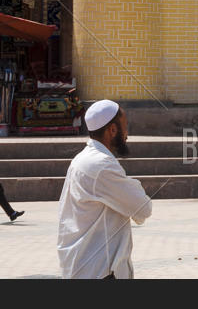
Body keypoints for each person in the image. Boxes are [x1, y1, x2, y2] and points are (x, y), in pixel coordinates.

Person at [53, 100, 149, 277]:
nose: (127, 134)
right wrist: (131, 183)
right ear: (112, 130)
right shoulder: (102, 166)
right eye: (125, 127)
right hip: (100, 271)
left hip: (83, 268)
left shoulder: (82, 159)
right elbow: (143, 208)